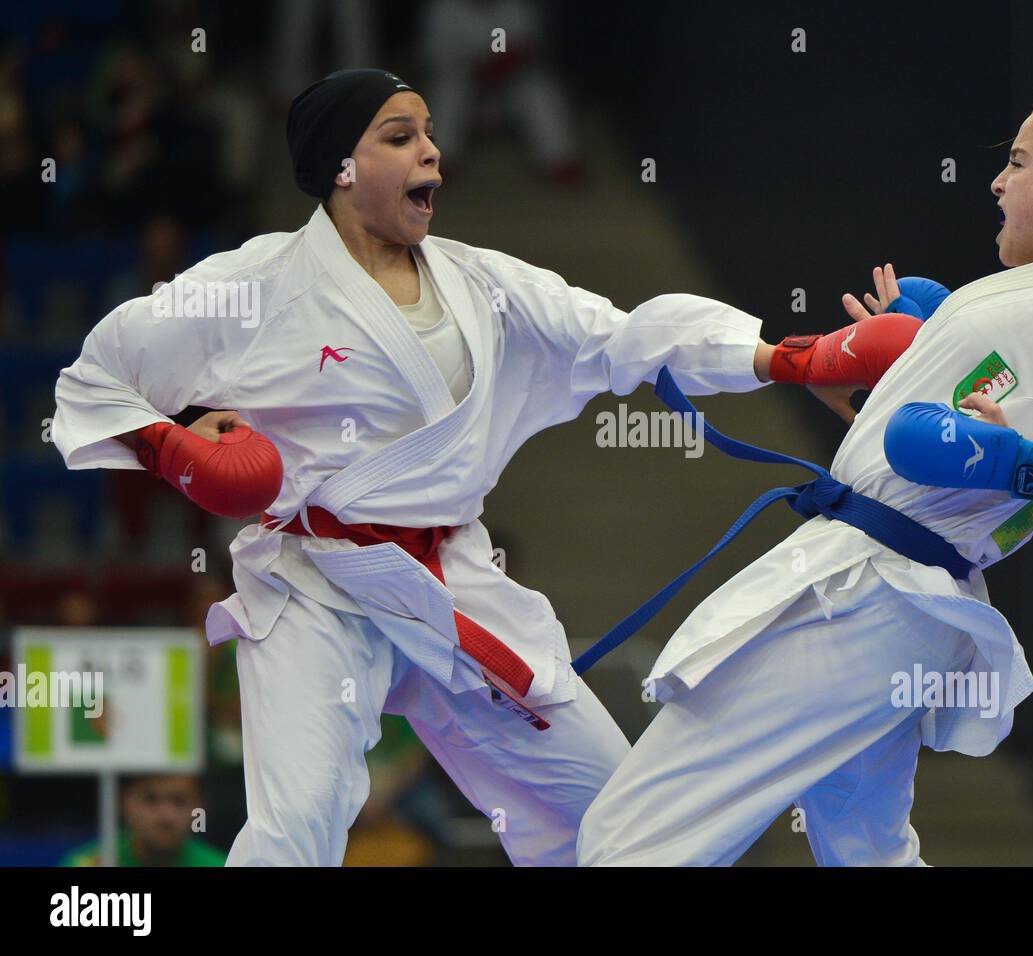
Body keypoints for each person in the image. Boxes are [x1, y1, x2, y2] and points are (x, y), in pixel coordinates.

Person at [51, 69, 915, 866]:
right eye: (398, 136)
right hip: (317, 585)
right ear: (340, 167)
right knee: (296, 827)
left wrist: (784, 359)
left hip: (453, 584)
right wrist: (179, 442)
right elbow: (97, 377)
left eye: (429, 132)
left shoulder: (485, 284)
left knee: (622, 819)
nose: (431, 150)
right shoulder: (252, 283)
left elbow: (622, 336)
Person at [578, 82, 1033, 866]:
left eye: (1017, 160)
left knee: (631, 842)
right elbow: (935, 447)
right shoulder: (1025, 306)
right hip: (892, 595)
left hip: (873, 600)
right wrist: (891, 391)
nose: (997, 182)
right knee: (867, 852)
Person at [60, 774, 225, 867]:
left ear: (200, 807)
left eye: (179, 800)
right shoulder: (85, 864)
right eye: (150, 799)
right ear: (124, 803)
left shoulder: (224, 865)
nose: (165, 815)